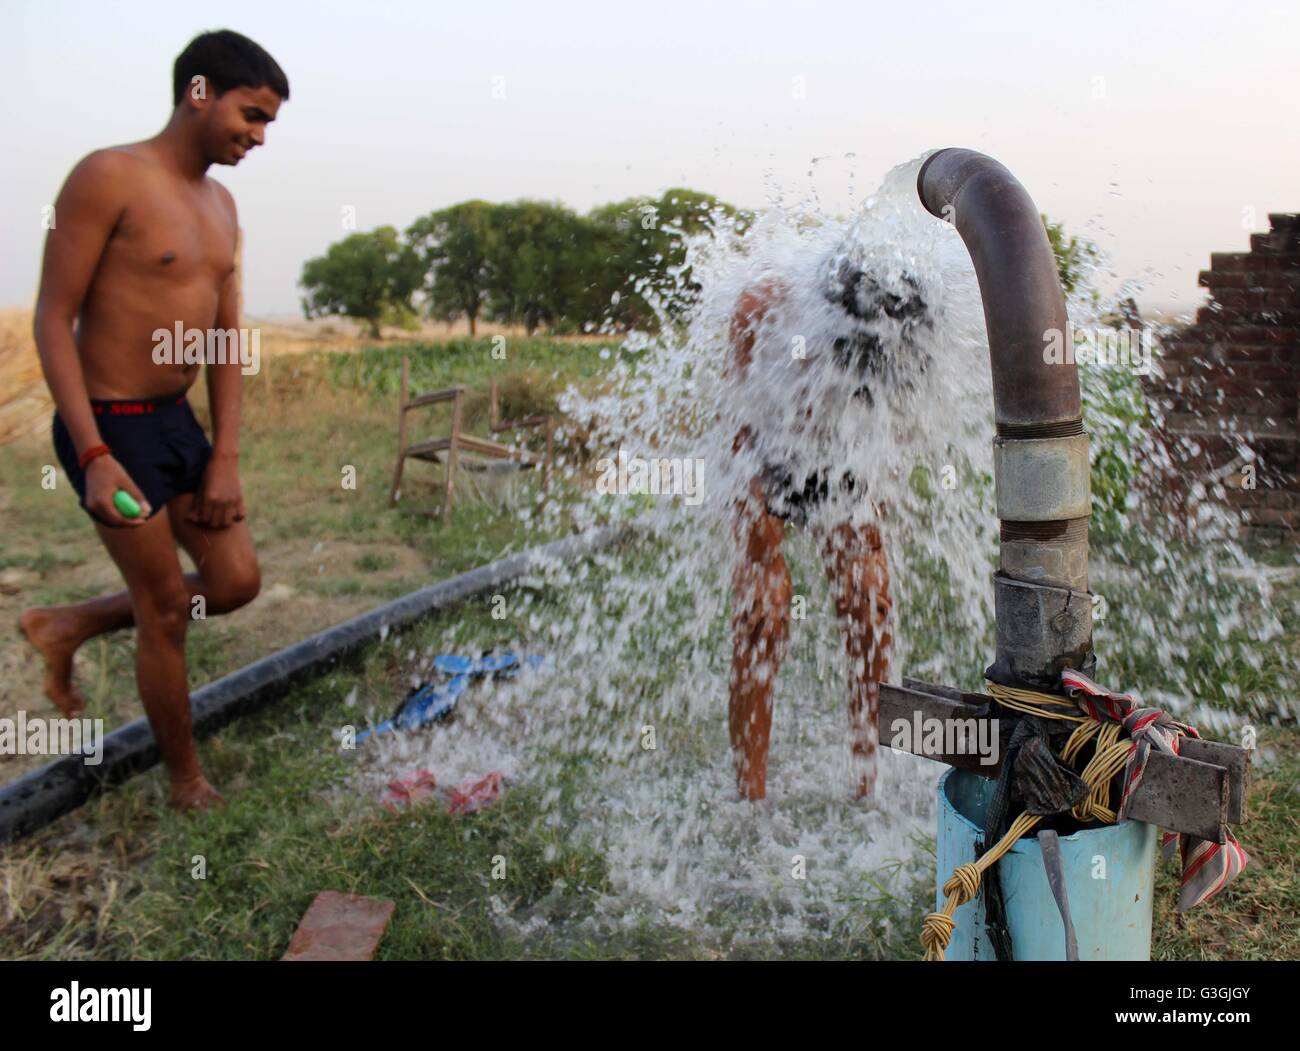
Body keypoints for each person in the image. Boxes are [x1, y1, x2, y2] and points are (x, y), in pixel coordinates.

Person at [18, 30, 289, 811]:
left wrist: (224, 454)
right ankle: (185, 781)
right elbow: (52, 316)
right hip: (112, 427)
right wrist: (96, 452)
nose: (258, 136)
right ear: (199, 92)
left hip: (177, 425)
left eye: (269, 123)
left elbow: (226, 337)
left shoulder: (222, 204)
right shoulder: (109, 176)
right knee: (166, 608)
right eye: (251, 114)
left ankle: (69, 621)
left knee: (235, 581)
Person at [725, 251, 930, 801]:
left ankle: (868, 778)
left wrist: (869, 521)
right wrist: (758, 537)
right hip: (770, 447)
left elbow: (896, 437)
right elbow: (737, 425)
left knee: (869, 600)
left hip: (846, 454)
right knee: (762, 617)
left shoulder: (906, 333)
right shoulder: (762, 311)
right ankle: (750, 795)